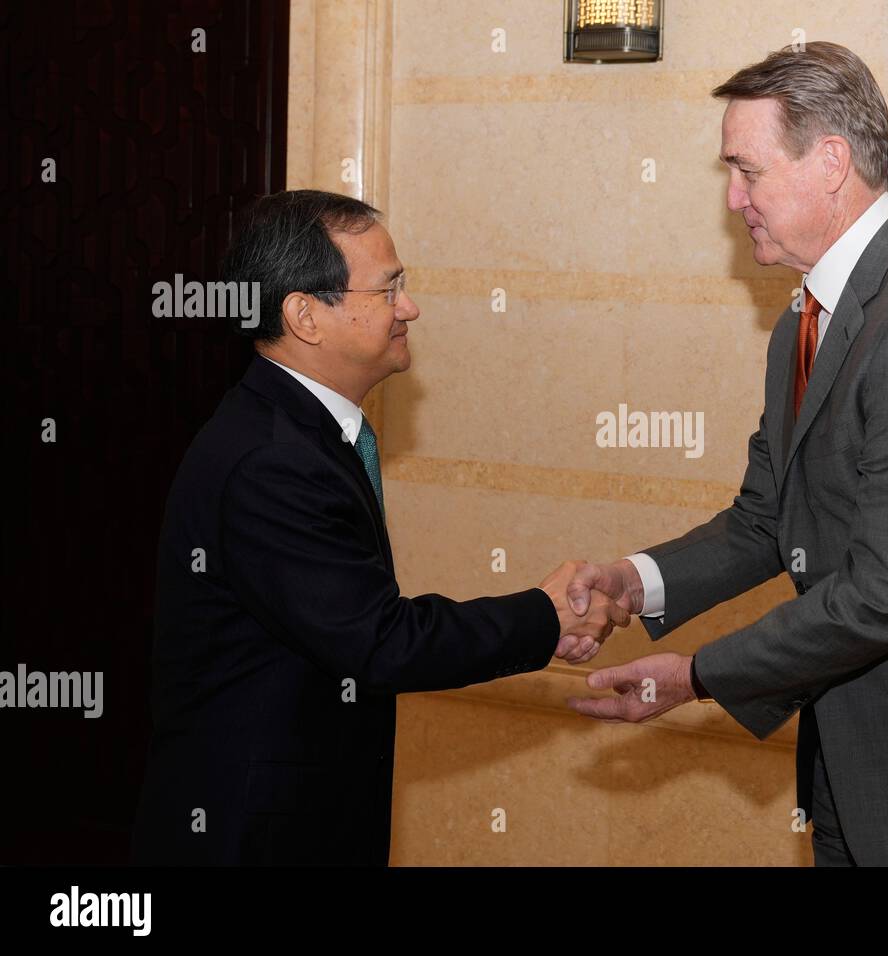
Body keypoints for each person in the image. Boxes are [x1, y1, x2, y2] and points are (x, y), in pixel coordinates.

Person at [565, 42, 888, 866]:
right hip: (856, 749)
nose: (734, 199)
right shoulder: (804, 318)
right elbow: (765, 517)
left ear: (831, 163)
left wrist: (697, 675)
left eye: (747, 170)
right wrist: (636, 582)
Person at [131, 190, 627, 865]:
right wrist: (545, 614)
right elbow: (382, 642)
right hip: (251, 836)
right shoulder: (271, 461)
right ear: (305, 314)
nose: (410, 308)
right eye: (389, 288)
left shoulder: (305, 432)